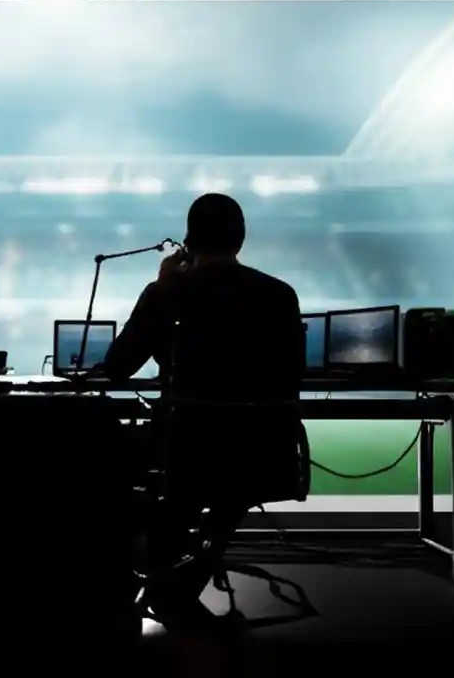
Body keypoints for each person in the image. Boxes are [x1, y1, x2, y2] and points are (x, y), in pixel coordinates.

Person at [101, 193, 305, 615]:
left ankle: (153, 566)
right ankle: (194, 549)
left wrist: (161, 287)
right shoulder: (281, 295)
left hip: (188, 450)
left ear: (189, 242)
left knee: (108, 451)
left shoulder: (170, 293)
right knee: (208, 480)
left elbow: (119, 366)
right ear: (241, 239)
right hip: (263, 451)